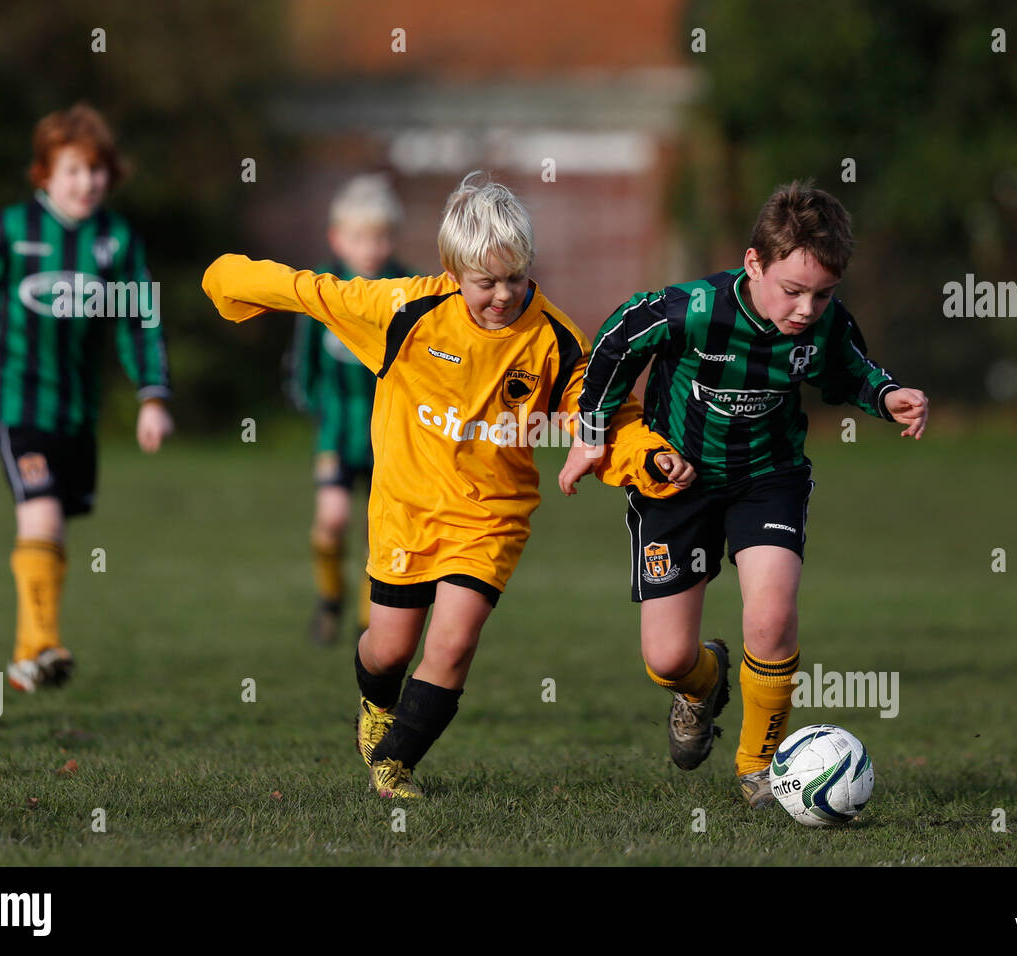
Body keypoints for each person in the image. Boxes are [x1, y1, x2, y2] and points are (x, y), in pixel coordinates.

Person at [203, 171, 694, 798]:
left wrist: (648, 459)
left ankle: (395, 764)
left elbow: (603, 418)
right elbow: (311, 291)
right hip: (406, 509)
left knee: (455, 642)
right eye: (485, 282)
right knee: (387, 649)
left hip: (491, 517)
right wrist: (226, 279)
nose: (502, 295)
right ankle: (377, 705)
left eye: (515, 278)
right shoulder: (406, 310)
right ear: (454, 271)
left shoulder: (557, 340)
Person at [560, 179, 928, 808]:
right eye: (793, 291)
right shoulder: (694, 309)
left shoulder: (825, 321)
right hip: (676, 483)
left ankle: (761, 768)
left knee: (772, 616)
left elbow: (849, 368)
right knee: (669, 657)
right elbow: (619, 340)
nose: (808, 308)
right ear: (754, 263)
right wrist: (592, 436)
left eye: (823, 293)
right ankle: (703, 685)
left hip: (769, 478)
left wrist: (886, 395)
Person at [0, 102, 174, 693]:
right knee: (41, 511)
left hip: (77, 413)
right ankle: (42, 643)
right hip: (19, 404)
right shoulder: (13, 229)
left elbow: (142, 321)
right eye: (74, 171)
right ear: (45, 175)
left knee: (56, 528)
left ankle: (27, 661)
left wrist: (152, 397)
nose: (88, 183)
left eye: (98, 170)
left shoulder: (117, 240)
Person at [287, 174, 410, 644]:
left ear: (392, 238)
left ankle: (367, 621)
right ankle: (328, 599)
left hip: (389, 437)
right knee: (332, 519)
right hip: (337, 431)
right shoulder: (321, 288)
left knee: (376, 532)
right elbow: (304, 361)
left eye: (379, 237)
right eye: (359, 237)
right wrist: (309, 397)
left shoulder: (406, 289)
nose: (370, 247)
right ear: (337, 238)